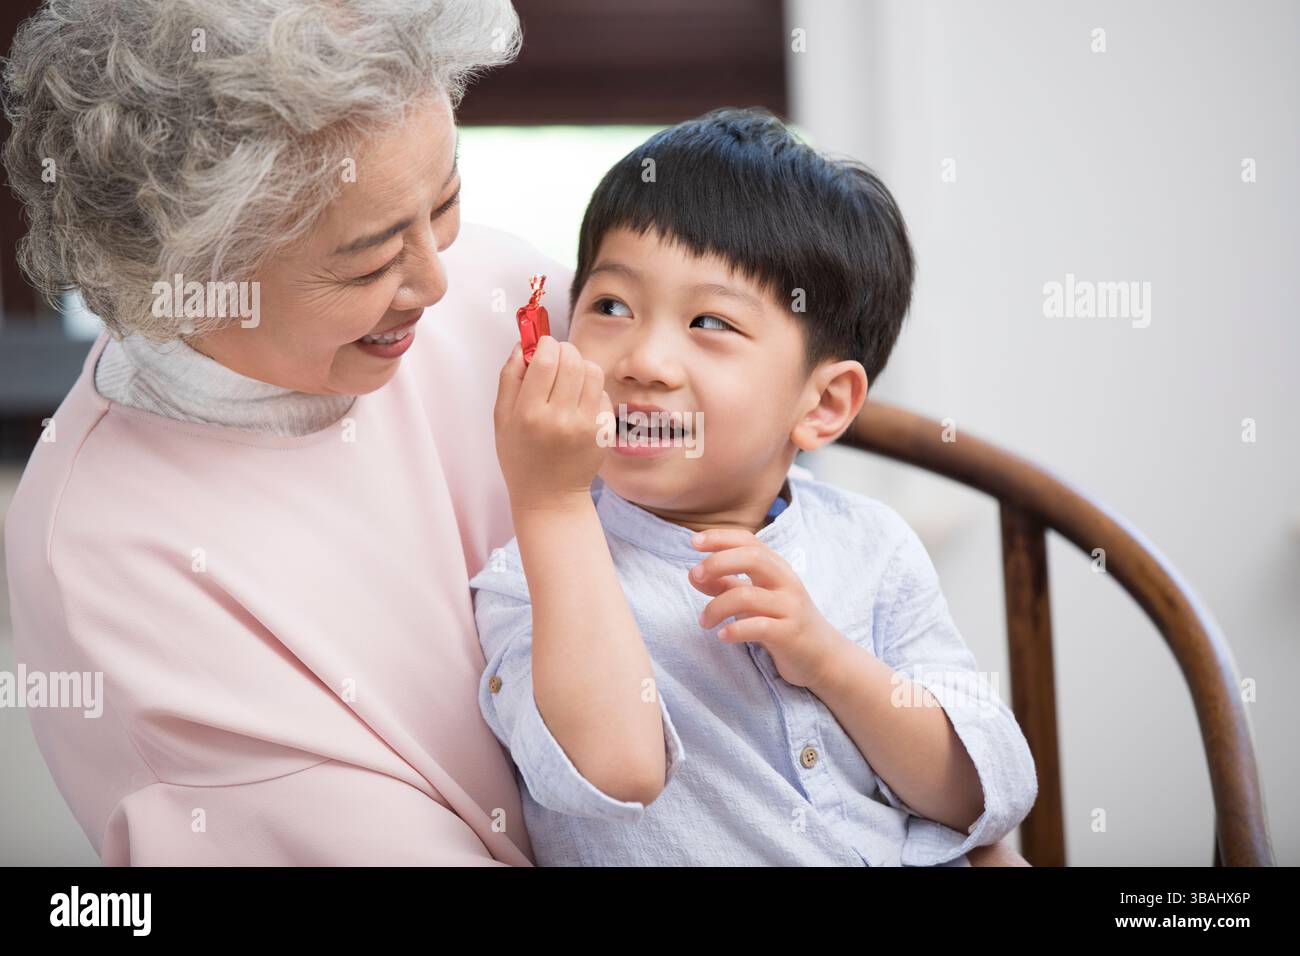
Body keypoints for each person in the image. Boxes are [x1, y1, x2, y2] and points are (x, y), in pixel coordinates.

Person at [2, 0, 569, 865]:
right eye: (371, 261)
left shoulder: (485, 282)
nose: (437, 279)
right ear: (189, 269)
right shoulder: (119, 576)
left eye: (446, 201)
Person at [470, 108, 1040, 865]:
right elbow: (613, 770)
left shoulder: (871, 545)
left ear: (823, 402)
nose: (644, 360)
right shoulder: (532, 574)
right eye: (611, 306)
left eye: (709, 321)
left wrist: (830, 662)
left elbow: (981, 792)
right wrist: (552, 502)